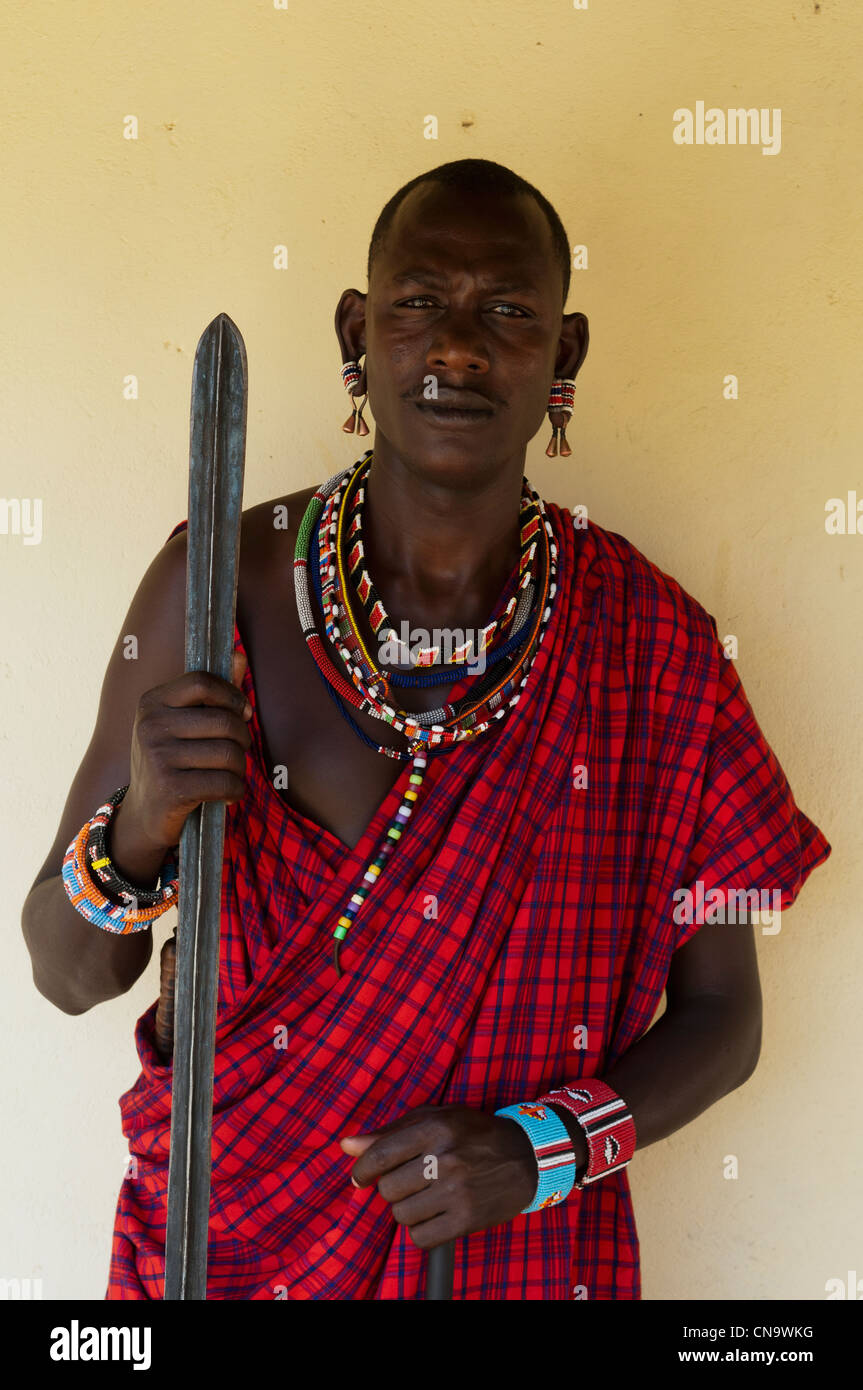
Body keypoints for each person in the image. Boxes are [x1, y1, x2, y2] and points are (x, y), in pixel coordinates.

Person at [22, 158, 831, 1300]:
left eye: (506, 310)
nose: (458, 346)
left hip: (518, 1264)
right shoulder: (219, 588)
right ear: (359, 328)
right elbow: (63, 970)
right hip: (226, 1257)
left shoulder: (652, 647)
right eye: (418, 303)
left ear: (564, 353)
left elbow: (724, 1016)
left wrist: (545, 1148)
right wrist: (140, 828)